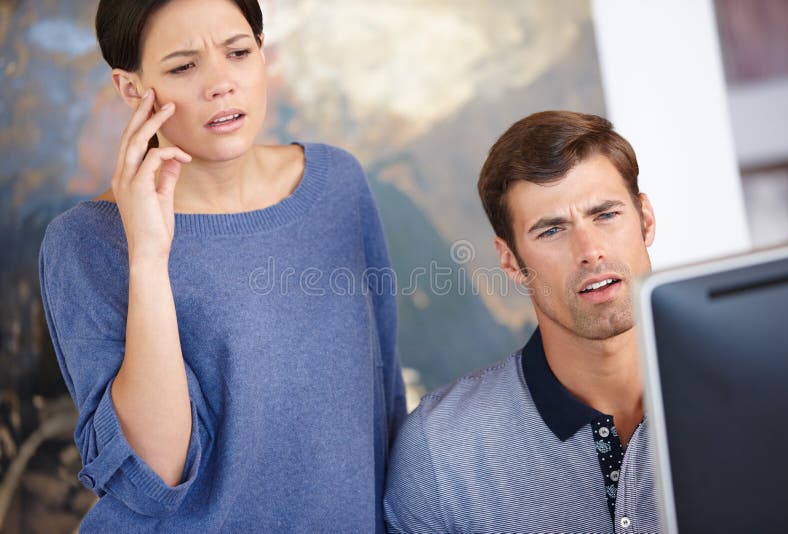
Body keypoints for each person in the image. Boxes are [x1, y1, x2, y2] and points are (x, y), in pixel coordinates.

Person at [38, 0, 405, 531]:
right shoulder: (86, 241)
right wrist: (148, 254)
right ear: (131, 89)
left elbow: (384, 402)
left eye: (237, 52)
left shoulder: (337, 184)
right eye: (184, 66)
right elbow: (155, 474)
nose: (220, 84)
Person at [383, 111, 659, 533]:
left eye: (605, 215)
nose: (590, 250)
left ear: (646, 220)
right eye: (551, 231)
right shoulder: (440, 452)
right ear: (510, 261)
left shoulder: (766, 378)